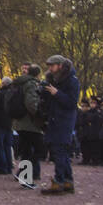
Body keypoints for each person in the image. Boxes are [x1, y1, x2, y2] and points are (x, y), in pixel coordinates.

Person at [39, 55, 80, 194]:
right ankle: (68, 181)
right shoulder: (53, 80)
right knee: (60, 151)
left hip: (64, 121)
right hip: (54, 119)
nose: (50, 68)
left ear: (60, 66)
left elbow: (72, 103)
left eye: (52, 65)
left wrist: (57, 93)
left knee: (60, 150)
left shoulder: (72, 81)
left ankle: (59, 181)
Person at [11, 64, 44, 188]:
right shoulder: (31, 84)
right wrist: (40, 114)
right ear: (38, 74)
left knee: (26, 150)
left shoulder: (19, 83)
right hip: (30, 122)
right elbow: (31, 103)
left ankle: (24, 176)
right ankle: (24, 176)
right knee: (39, 149)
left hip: (19, 122)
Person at [0, 77, 15, 175]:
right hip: (10, 122)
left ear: (3, 84)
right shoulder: (13, 93)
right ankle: (9, 166)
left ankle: (2, 167)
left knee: (0, 145)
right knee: (8, 146)